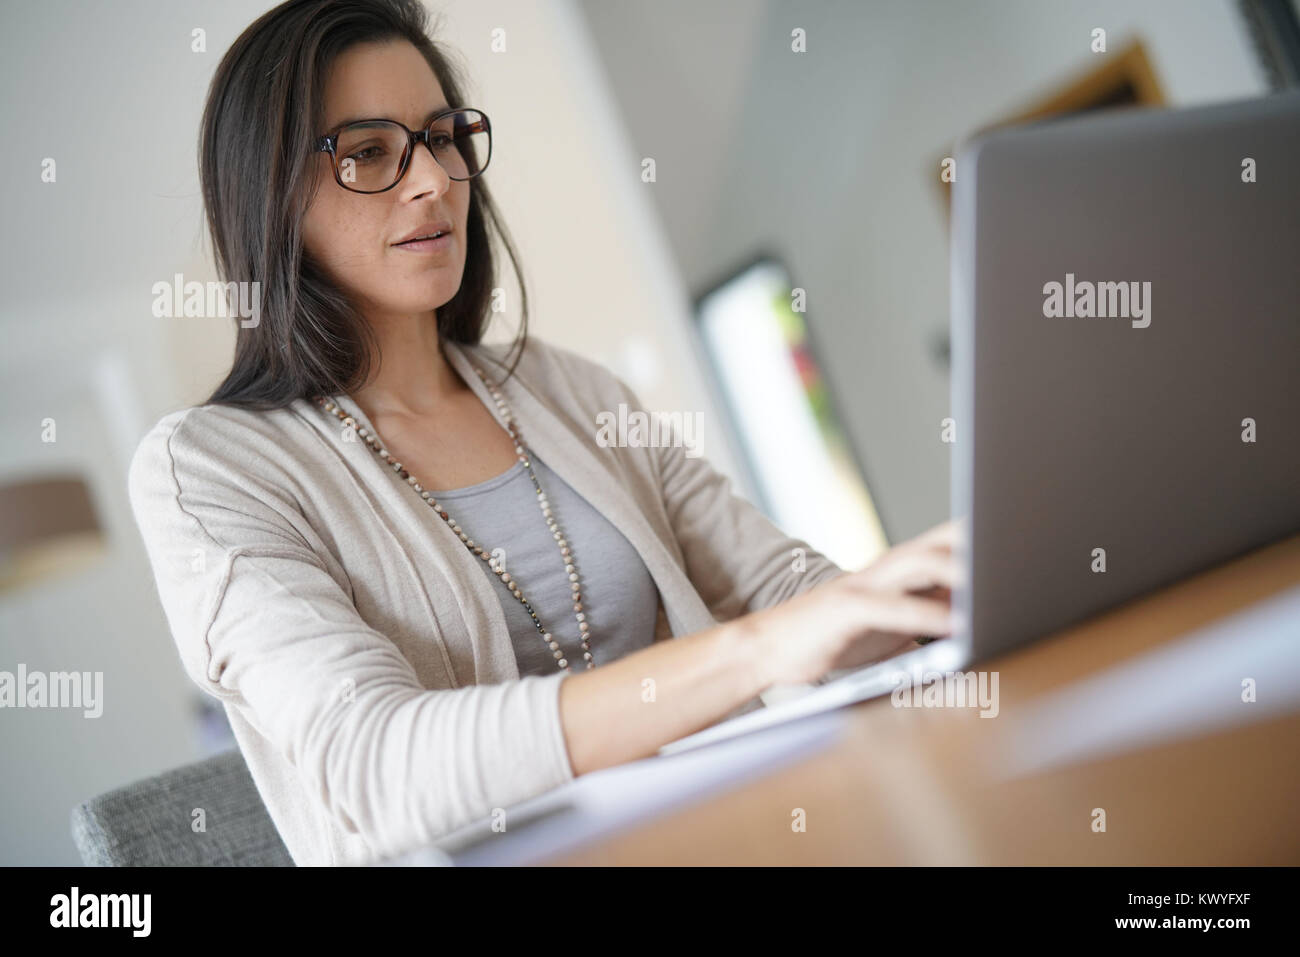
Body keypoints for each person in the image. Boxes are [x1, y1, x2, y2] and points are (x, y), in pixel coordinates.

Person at [127, 0, 960, 866]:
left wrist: (924, 597)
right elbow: (379, 766)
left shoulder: (567, 387)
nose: (434, 181)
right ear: (265, 193)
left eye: (444, 136)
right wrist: (749, 656)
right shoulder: (207, 470)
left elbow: (780, 585)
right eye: (371, 151)